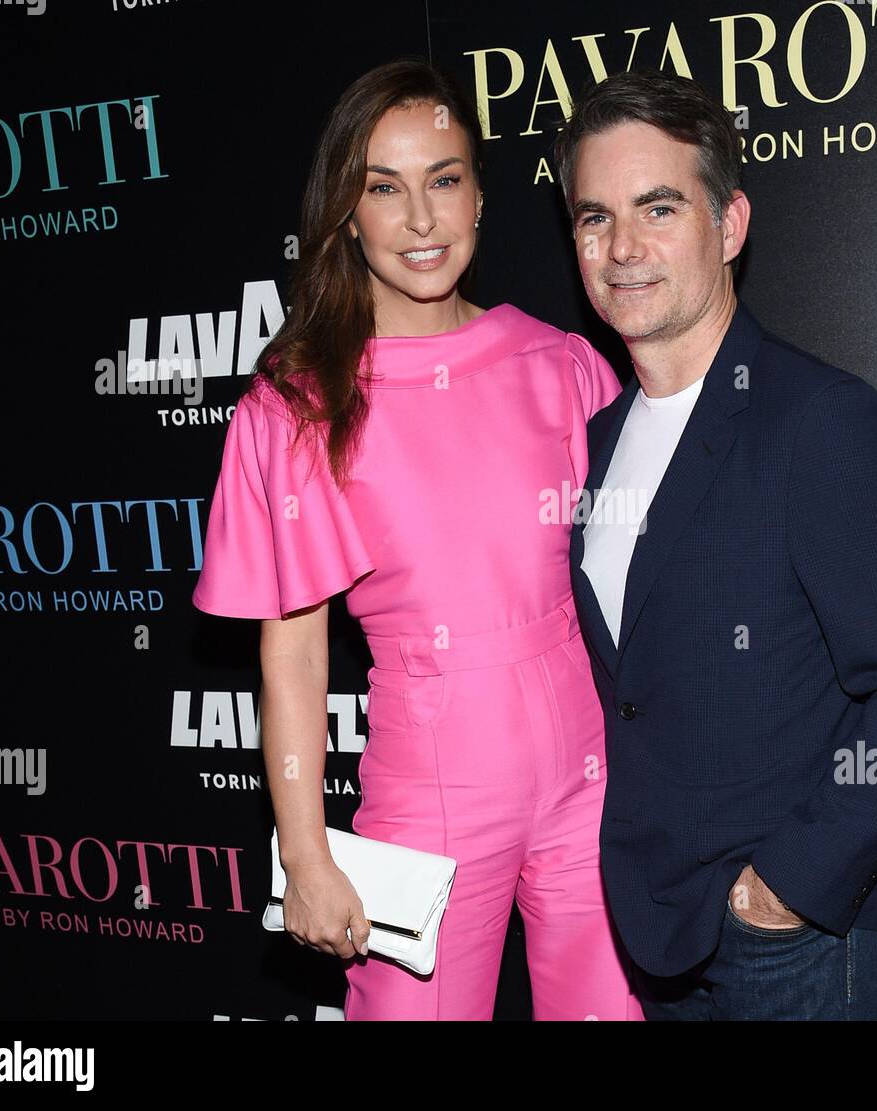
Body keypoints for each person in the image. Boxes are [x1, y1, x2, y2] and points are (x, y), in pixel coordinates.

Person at [192, 58, 642, 1021]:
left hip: (591, 785)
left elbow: (642, 594)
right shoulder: (300, 406)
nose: (423, 219)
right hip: (430, 798)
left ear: (481, 192)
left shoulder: (562, 365)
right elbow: (297, 652)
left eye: (444, 179)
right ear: (345, 215)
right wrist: (305, 855)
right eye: (383, 190)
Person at [552, 70, 877, 1020]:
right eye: (594, 216)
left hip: (793, 946)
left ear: (729, 224)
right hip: (659, 930)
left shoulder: (819, 419)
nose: (622, 248)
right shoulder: (602, 440)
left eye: (658, 207)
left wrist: (782, 888)